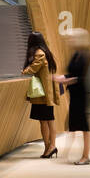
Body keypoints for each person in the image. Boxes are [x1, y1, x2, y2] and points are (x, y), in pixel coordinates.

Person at [55, 29, 90, 165]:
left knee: (84, 126)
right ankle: (67, 153)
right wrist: (62, 77)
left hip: (81, 94)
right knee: (72, 124)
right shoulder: (76, 55)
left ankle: (85, 156)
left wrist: (64, 80)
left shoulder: (84, 56)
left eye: (72, 38)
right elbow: (71, 74)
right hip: (75, 93)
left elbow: (79, 77)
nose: (69, 41)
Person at [21, 31, 60, 159]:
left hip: (42, 95)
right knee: (48, 120)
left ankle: (50, 146)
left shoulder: (39, 54)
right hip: (45, 94)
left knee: (45, 121)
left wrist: (24, 71)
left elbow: (32, 69)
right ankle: (49, 146)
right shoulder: (46, 53)